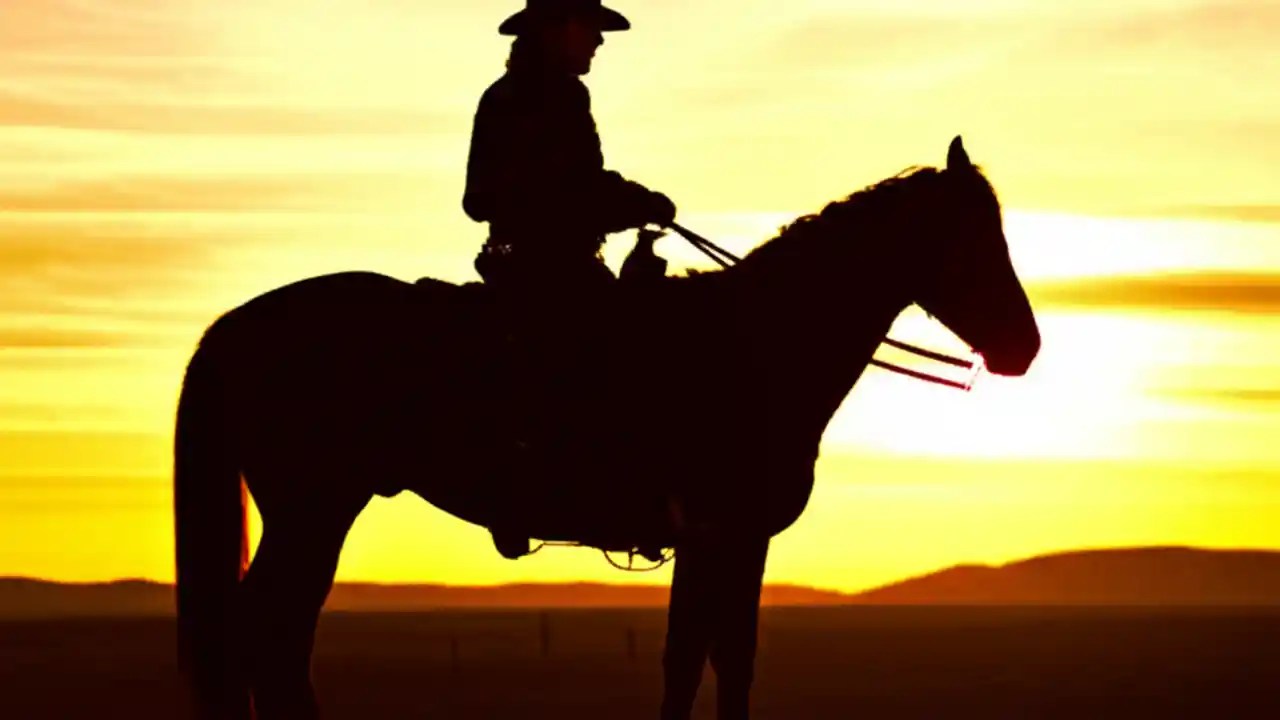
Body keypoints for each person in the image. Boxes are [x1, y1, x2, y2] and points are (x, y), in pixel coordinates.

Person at [463, 0, 675, 560]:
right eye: (591, 30)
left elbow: (506, 193)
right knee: (634, 355)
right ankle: (606, 496)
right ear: (558, 29)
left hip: (524, 260)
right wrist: (637, 201)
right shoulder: (553, 94)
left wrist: (623, 199)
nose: (598, 44)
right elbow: (570, 189)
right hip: (549, 268)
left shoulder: (509, 93)